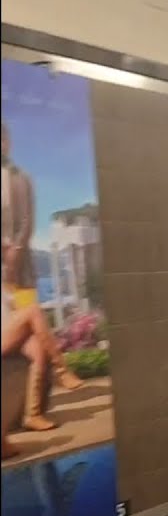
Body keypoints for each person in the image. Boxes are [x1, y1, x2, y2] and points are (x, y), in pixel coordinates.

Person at [2, 286, 87, 456]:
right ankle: (61, 370)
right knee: (34, 310)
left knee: (39, 351)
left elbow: (12, 309)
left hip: (8, 334)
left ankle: (32, 415)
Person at [2, 122, 38, 294]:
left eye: (2, 139)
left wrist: (15, 250)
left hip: (21, 265)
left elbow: (27, 220)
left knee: (26, 313)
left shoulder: (22, 177)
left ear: (8, 143)